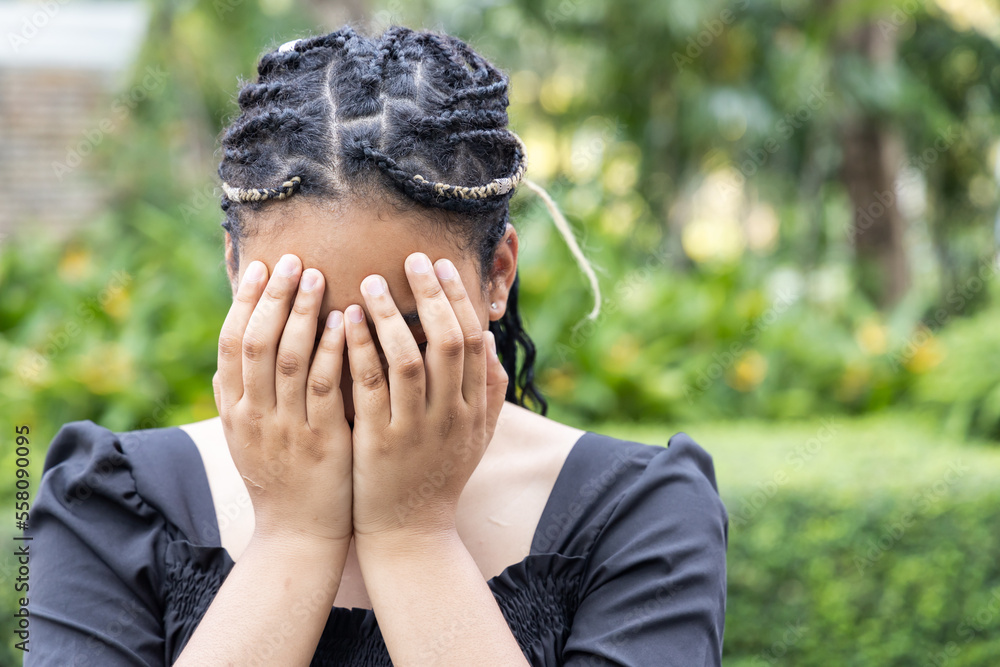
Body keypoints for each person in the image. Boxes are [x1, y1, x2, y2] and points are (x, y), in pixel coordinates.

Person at [25, 25, 728, 666]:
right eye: (308, 324)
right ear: (237, 269)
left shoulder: (641, 516)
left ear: (498, 274)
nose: (356, 375)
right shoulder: (107, 505)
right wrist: (292, 538)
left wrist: (413, 536)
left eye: (404, 330)